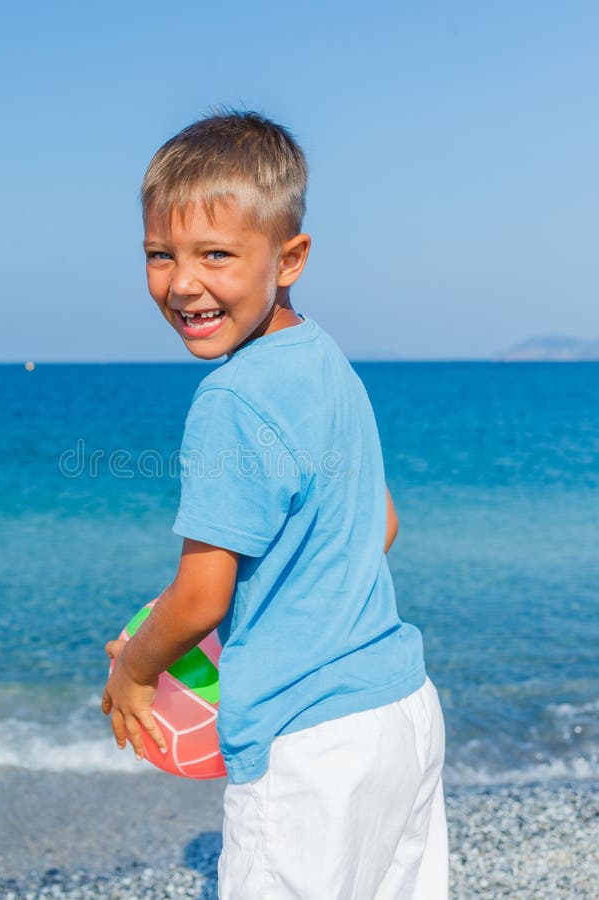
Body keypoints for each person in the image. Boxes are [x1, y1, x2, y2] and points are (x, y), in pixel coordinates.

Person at [101, 109, 448, 899]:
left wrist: (136, 672)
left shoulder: (230, 400)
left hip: (306, 744)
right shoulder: (324, 361)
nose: (181, 283)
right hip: (400, 712)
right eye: (160, 254)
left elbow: (201, 597)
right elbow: (380, 524)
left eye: (215, 254)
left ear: (288, 258)